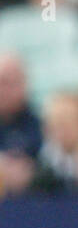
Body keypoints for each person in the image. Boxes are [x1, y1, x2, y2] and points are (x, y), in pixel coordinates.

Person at [0, 52, 42, 197]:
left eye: (11, 83)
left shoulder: (39, 125)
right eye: (2, 83)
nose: (4, 90)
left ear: (24, 84)